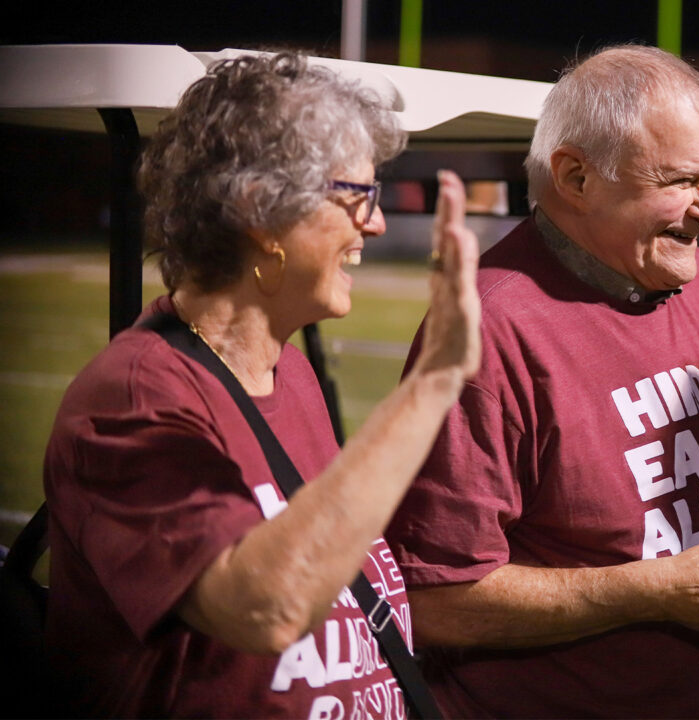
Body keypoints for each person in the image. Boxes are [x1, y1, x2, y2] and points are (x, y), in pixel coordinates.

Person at [386, 44, 699, 718]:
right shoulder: (489, 331)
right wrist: (654, 591)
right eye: (681, 180)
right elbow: (432, 599)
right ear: (576, 178)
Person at [42, 52, 480, 718]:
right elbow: (266, 607)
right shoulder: (134, 397)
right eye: (357, 195)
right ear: (260, 211)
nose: (377, 224)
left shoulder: (289, 369)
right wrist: (434, 380)